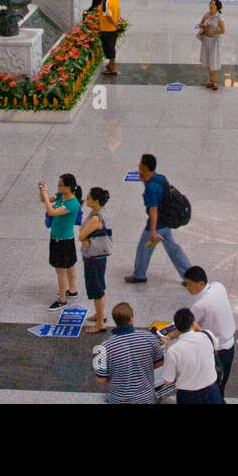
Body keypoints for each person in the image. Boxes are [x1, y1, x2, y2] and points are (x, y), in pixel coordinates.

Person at [124, 153, 191, 283]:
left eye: (140, 163)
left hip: (158, 224)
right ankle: (188, 276)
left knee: (144, 248)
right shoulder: (160, 178)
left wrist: (153, 230)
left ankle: (139, 275)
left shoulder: (151, 187)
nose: (138, 165)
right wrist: (144, 180)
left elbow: (154, 210)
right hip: (167, 221)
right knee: (173, 249)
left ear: (144, 166)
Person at [94, 302, 165, 404]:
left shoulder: (104, 347)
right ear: (132, 318)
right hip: (145, 398)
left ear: (115, 321)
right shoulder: (149, 338)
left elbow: (100, 379)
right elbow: (160, 362)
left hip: (118, 399)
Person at [184, 265, 238, 398]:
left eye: (190, 284)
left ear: (201, 283)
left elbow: (187, 324)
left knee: (211, 390)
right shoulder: (218, 286)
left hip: (216, 352)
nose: (187, 288)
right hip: (230, 345)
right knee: (221, 386)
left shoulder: (200, 305)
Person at [38, 173, 82, 311]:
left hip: (63, 240)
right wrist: (42, 191)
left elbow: (51, 211)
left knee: (61, 270)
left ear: (68, 187)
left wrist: (45, 196)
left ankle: (62, 299)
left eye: (60, 185)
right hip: (58, 236)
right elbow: (43, 200)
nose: (58, 186)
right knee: (69, 265)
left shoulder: (72, 203)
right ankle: (72, 290)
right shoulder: (60, 195)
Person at [161, 307, 221, 404]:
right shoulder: (207, 336)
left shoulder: (173, 350)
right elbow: (216, 345)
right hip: (211, 391)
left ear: (177, 327)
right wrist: (198, 328)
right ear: (193, 323)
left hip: (188, 396)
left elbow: (168, 380)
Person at [79, 186, 112, 334]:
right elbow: (82, 232)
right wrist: (85, 235)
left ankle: (100, 324)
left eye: (89, 198)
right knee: (99, 286)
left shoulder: (95, 218)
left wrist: (84, 236)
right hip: (98, 256)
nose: (86, 199)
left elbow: (80, 234)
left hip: (94, 257)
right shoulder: (99, 213)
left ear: (96, 201)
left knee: (97, 289)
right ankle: (100, 315)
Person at [197, 0, 224, 91]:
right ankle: (211, 81)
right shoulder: (207, 14)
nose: (211, 5)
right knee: (208, 61)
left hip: (214, 42)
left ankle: (215, 81)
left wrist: (213, 31)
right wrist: (202, 25)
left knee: (213, 61)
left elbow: (222, 30)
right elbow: (200, 23)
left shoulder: (219, 17)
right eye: (210, 4)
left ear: (217, 7)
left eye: (213, 4)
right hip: (206, 40)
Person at [96, 0, 121, 76]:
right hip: (113, 29)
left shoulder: (106, 0)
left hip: (107, 29)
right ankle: (111, 65)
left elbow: (108, 15)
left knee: (108, 48)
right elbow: (118, 10)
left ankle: (112, 67)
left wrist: (114, 24)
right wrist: (118, 22)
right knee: (111, 46)